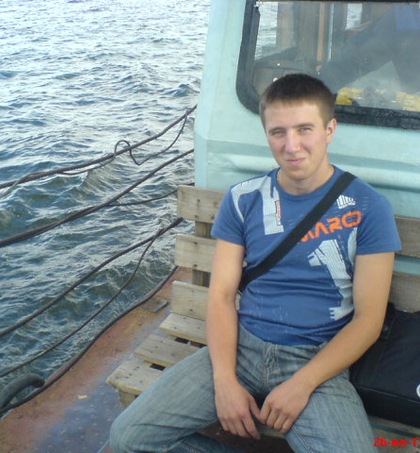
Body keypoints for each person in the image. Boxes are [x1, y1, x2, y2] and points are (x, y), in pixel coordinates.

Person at [109, 73, 402, 453]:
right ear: (266, 134)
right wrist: (224, 381)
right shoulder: (243, 199)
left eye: (305, 129)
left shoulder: (368, 207)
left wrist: (303, 384)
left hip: (315, 358)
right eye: (278, 132)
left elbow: (368, 320)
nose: (291, 146)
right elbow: (222, 295)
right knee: (129, 438)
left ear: (330, 130)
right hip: (241, 349)